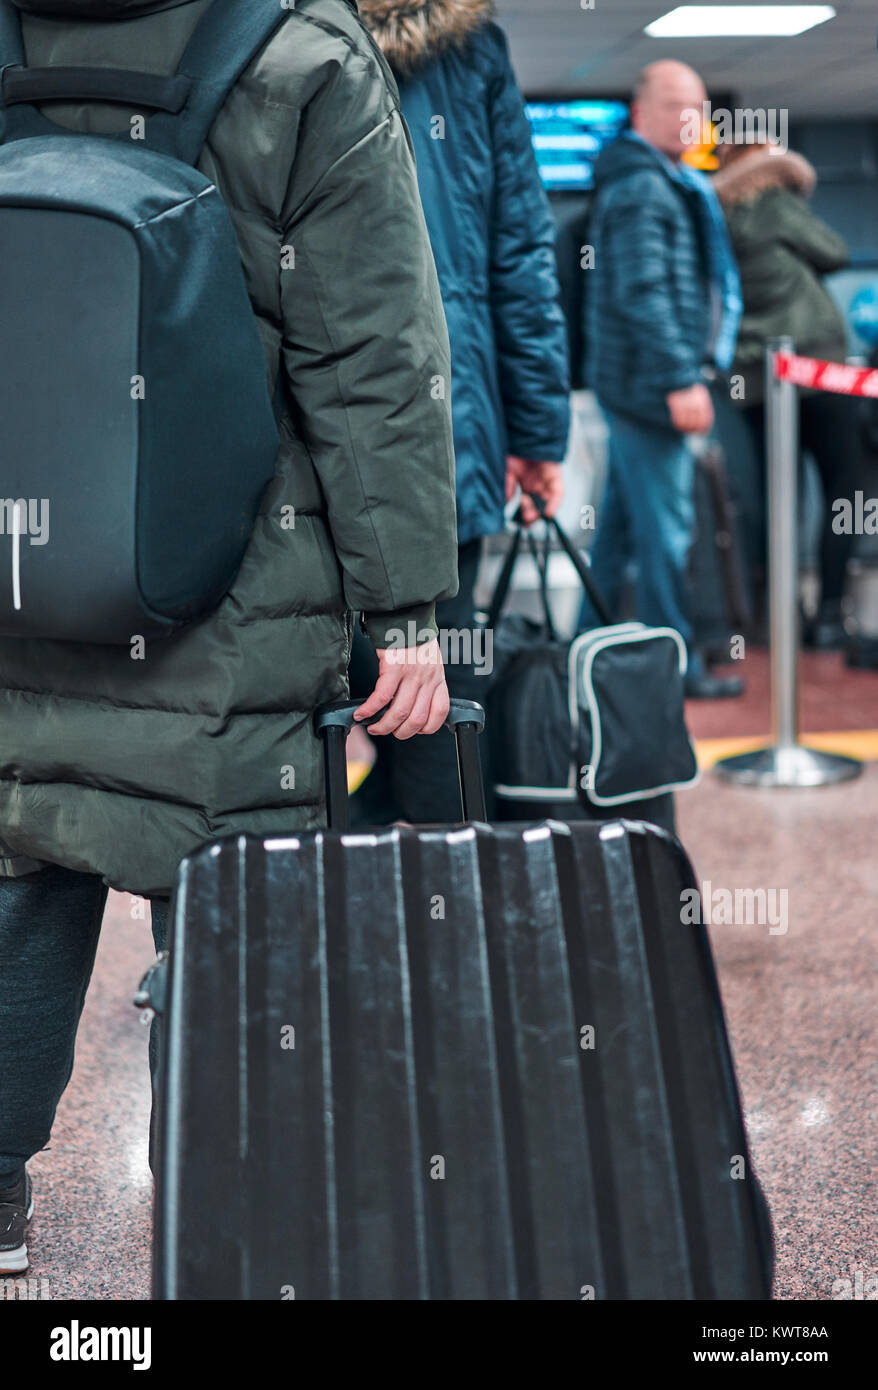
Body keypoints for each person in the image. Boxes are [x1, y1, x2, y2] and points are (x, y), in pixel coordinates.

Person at [0, 0, 458, 1275]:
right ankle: (228, 1210)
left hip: (15, 559)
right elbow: (372, 355)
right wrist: (405, 606)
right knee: (226, 903)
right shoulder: (297, 50)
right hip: (236, 578)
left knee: (18, 867)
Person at [349, 0, 570, 824]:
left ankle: (307, 924)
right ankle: (445, 918)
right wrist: (537, 431)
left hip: (287, 440)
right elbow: (519, 249)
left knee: (295, 714)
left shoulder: (258, 26)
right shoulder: (471, 50)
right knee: (436, 694)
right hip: (443, 431)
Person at [580, 60, 744, 699]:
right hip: (651, 394)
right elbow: (643, 292)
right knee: (667, 539)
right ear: (639, 113)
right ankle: (671, 673)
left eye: (698, 107)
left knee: (621, 532)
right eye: (676, 104)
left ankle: (584, 654)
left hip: (637, 390)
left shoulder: (663, 181)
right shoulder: (644, 189)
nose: (690, 118)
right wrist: (681, 378)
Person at [713, 138, 861, 648]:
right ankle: (829, 616)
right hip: (818, 367)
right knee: (846, 489)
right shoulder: (775, 202)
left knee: (778, 500)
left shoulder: (717, 216)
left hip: (757, 378)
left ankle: (780, 616)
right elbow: (835, 253)